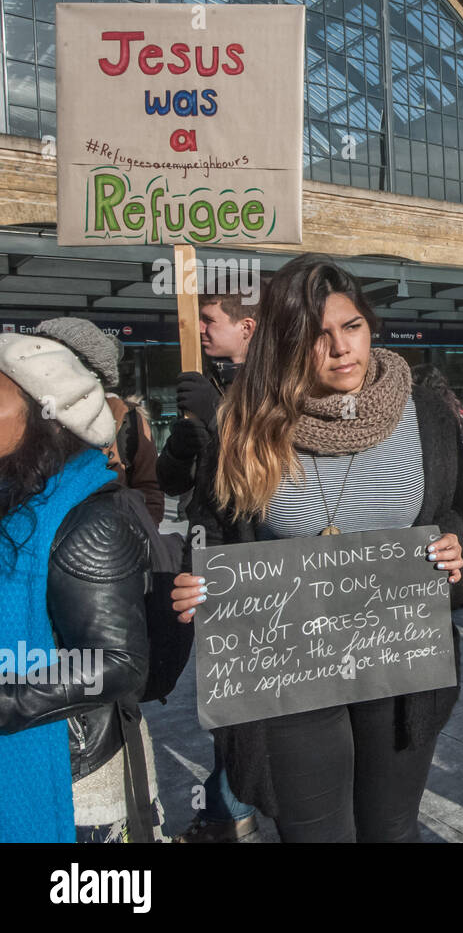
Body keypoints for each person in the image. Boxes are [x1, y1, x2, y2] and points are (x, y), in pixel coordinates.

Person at [170, 253, 463, 842]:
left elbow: (461, 505)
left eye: (352, 326)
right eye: (316, 337)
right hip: (291, 664)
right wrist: (196, 576)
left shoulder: (425, 411)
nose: (341, 349)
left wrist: (454, 543)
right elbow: (208, 523)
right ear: (286, 344)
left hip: (398, 657)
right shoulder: (245, 423)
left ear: (370, 325)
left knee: (391, 830)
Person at [0, 333, 163, 842]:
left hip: (71, 771)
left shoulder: (89, 516)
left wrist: (8, 699)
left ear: (44, 411)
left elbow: (117, 662)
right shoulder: (14, 495)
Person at [155, 288, 262, 843]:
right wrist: (182, 442)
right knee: (224, 696)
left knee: (242, 699)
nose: (199, 329)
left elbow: (262, 478)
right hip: (206, 560)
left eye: (210, 319)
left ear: (247, 328)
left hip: (250, 563)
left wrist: (218, 420)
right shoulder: (214, 386)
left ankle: (231, 811)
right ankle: (230, 809)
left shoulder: (268, 387)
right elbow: (172, 482)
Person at [35, 318, 164, 525]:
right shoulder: (27, 412)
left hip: (106, 543)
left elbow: (148, 488)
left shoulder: (125, 418)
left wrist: (137, 538)